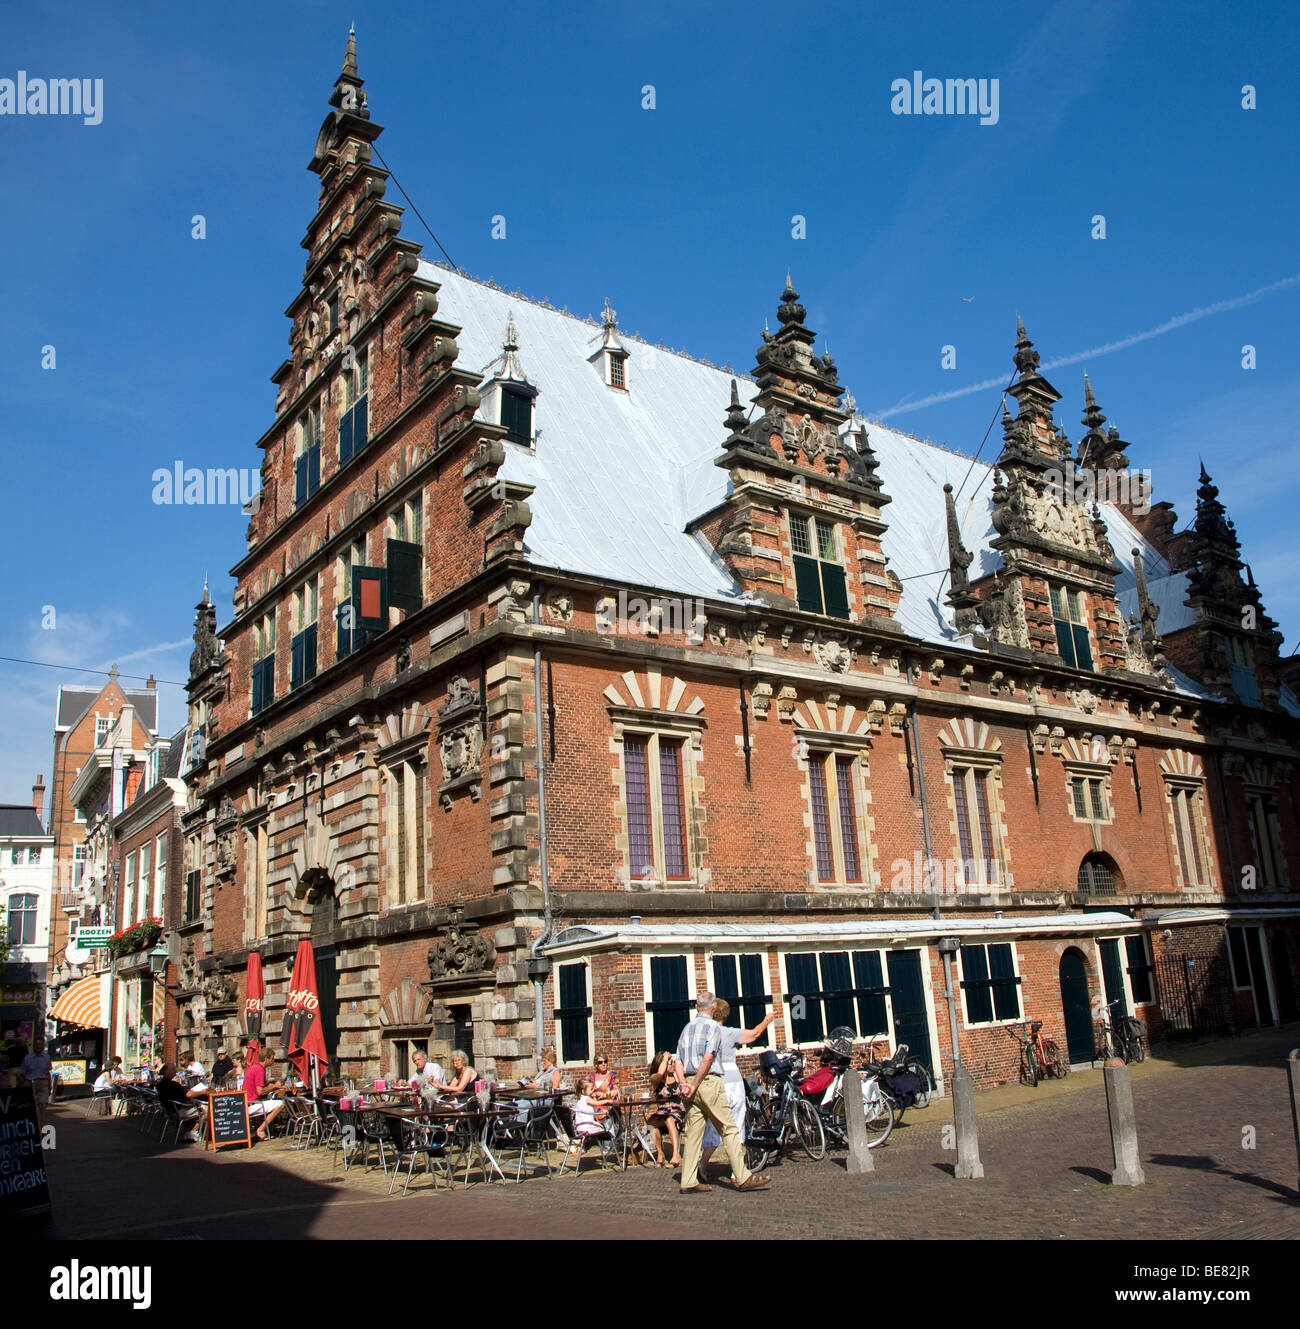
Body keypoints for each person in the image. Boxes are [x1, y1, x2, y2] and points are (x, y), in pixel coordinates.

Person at [674, 992, 769, 1194]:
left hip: (689, 1083)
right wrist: (696, 1083)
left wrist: (684, 1084)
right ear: (713, 1007)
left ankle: (688, 1180)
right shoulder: (713, 1028)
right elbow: (708, 1058)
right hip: (708, 1082)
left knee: (693, 1134)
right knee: (729, 1128)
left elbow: (678, 1061)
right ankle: (742, 1177)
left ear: (697, 1007)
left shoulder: (686, 1028)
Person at [699, 998, 776, 1174]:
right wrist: (767, 1020)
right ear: (725, 1015)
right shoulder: (729, 1033)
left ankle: (703, 1164)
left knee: (714, 1125)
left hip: (713, 1079)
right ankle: (737, 1171)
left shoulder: (704, 1034)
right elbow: (754, 1034)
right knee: (737, 1123)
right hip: (732, 1081)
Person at [645, 1051, 684, 1168]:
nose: (672, 1064)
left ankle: (676, 1154)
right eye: (669, 1063)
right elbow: (660, 1073)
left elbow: (683, 1087)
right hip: (662, 1112)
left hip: (678, 1111)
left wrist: (675, 1071)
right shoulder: (656, 1080)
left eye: (672, 1062)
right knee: (651, 1122)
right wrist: (665, 1060)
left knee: (669, 1118)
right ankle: (660, 1153)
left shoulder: (677, 1076)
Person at [241, 1046, 286, 1141]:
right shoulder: (260, 1069)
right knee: (281, 1104)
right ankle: (261, 1130)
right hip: (252, 1103)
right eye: (272, 1059)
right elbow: (260, 1091)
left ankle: (267, 1129)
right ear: (266, 1059)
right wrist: (274, 1086)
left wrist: (271, 1086)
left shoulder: (253, 1067)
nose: (273, 1061)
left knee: (271, 1102)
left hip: (246, 1102)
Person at [156, 1062, 207, 1142]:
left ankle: (188, 1133)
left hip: (169, 1110)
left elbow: (184, 1093)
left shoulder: (160, 1084)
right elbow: (188, 1094)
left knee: (194, 1108)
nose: (175, 1072)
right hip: (179, 1111)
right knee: (204, 1111)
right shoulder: (173, 1085)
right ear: (168, 1072)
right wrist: (203, 1092)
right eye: (173, 1070)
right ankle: (193, 1133)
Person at [17, 1035, 53, 1110]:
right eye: (36, 1044)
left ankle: (41, 1118)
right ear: (34, 1045)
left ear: (43, 1046)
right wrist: (22, 1086)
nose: (38, 1046)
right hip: (31, 1083)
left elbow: (48, 1072)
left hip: (43, 1082)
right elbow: (22, 1073)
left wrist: (50, 1086)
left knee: (43, 1104)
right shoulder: (28, 1057)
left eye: (40, 1044)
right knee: (31, 1105)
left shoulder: (47, 1057)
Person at [589, 1053, 619, 1121]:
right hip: (594, 1108)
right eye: (600, 1062)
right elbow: (586, 1091)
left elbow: (616, 1091)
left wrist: (604, 1095)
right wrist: (594, 1094)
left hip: (608, 1108)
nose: (603, 1064)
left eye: (605, 1061)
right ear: (596, 1064)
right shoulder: (591, 1077)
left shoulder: (612, 1076)